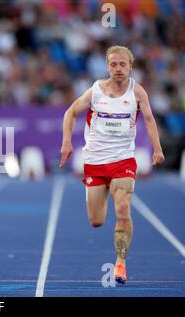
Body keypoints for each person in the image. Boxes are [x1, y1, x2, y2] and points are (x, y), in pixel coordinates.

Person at [60, 45, 164, 284]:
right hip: (95, 161)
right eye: (114, 64)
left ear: (130, 66)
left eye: (123, 64)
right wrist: (67, 143)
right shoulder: (95, 91)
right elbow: (70, 113)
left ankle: (120, 262)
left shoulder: (137, 92)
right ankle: (97, 192)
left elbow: (149, 119)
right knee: (96, 221)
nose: (118, 68)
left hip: (123, 161)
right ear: (107, 67)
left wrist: (157, 149)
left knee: (123, 208)